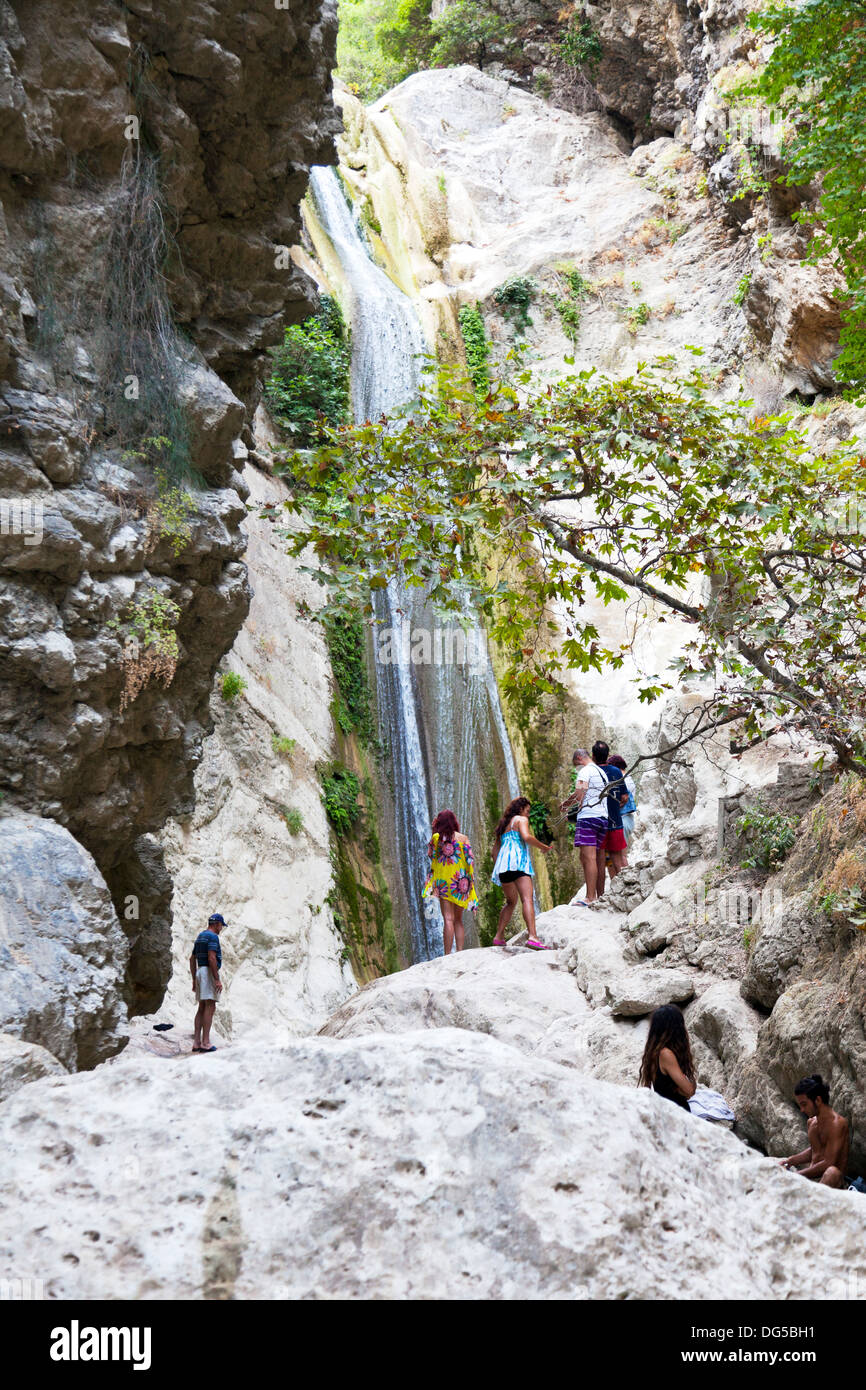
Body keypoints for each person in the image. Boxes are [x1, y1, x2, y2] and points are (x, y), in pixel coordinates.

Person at [490, 796, 551, 950]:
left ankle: (498, 936)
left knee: (511, 902)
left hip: (503, 867)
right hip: (518, 863)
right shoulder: (520, 820)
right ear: (521, 808)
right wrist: (542, 846)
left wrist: (500, 865)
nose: (528, 815)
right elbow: (526, 837)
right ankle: (533, 937)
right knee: (527, 899)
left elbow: (494, 852)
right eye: (528, 811)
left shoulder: (502, 826)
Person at [559, 743, 610, 906]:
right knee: (595, 858)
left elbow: (580, 793)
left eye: (576, 765)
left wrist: (565, 805)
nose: (576, 768)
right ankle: (599, 895)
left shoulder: (586, 771)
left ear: (580, 758)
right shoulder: (602, 772)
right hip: (603, 818)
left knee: (589, 858)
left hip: (589, 818)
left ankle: (590, 897)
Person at [422, 809, 478, 956]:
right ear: (454, 822)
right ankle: (459, 952)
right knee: (458, 920)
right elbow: (470, 861)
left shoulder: (436, 838)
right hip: (460, 883)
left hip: (444, 883)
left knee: (448, 918)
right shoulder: (463, 838)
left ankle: (447, 954)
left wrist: (435, 828)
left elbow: (430, 855)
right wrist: (470, 885)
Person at [779, 1075, 850, 1188]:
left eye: (804, 1104)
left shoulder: (837, 1124)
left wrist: (797, 1175)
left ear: (817, 1100)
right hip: (812, 1180)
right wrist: (790, 1161)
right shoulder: (812, 1122)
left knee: (832, 1172)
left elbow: (829, 1162)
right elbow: (815, 1150)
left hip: (833, 1183)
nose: (802, 1110)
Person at [638, 1004, 697, 1110]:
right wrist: (680, 1089)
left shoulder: (655, 1050)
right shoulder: (666, 1054)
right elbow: (689, 1090)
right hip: (677, 1111)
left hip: (666, 1108)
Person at [190, 912, 225, 1054]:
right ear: (216, 924)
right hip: (208, 972)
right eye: (221, 926)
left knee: (201, 1007)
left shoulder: (200, 936)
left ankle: (196, 1042)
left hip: (199, 971)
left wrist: (194, 978)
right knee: (210, 1006)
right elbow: (211, 958)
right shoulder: (213, 937)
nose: (221, 929)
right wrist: (216, 979)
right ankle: (205, 1042)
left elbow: (192, 958)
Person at [609, 753, 637, 845]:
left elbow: (621, 802)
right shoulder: (627, 779)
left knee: (618, 856)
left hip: (623, 820)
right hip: (626, 820)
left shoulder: (625, 781)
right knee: (620, 855)